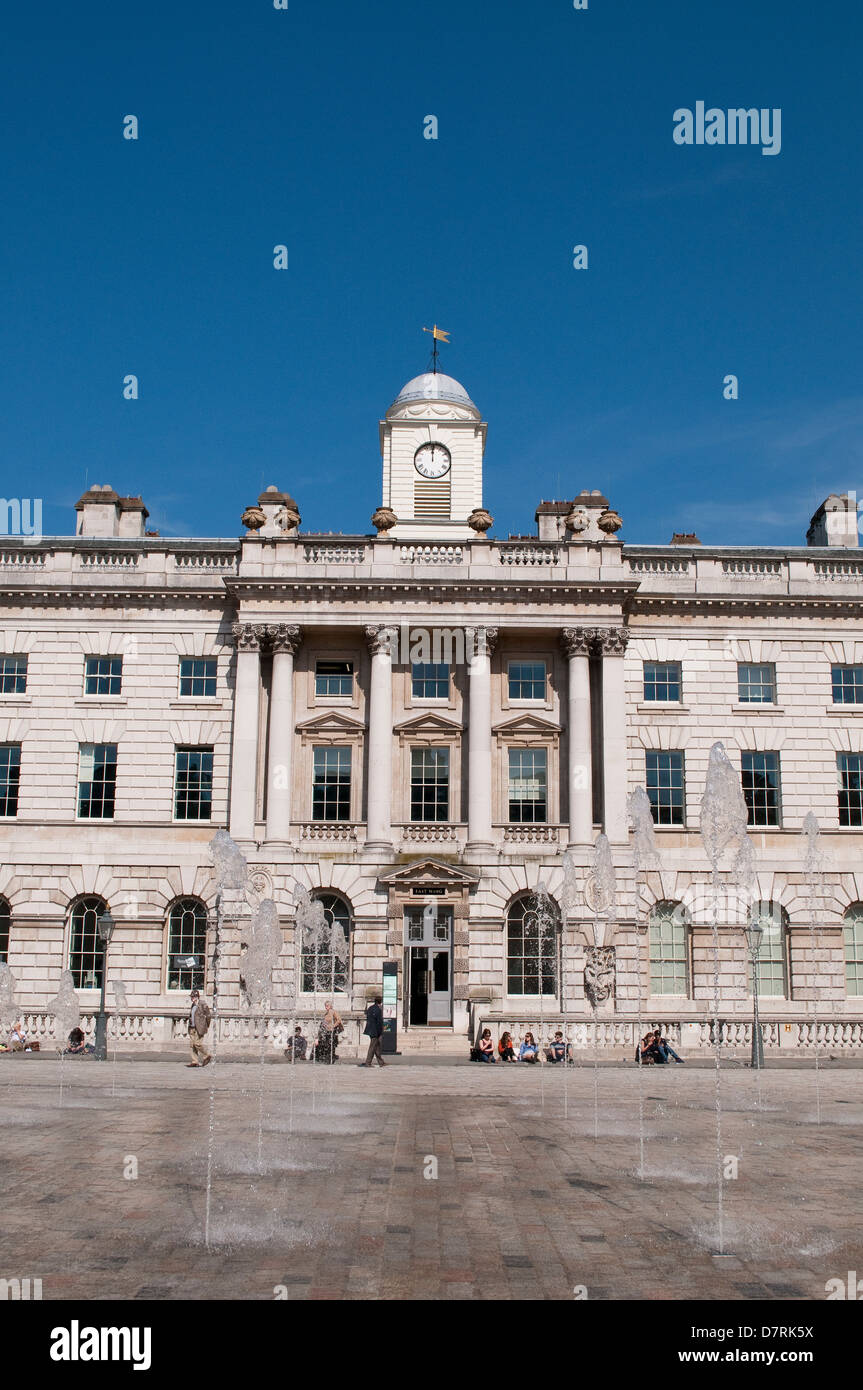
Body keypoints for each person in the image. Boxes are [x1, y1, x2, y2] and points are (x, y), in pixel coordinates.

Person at [186, 988, 212, 1067]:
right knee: (192, 1044)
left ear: (197, 997)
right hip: (192, 1027)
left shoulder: (202, 1004)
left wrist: (206, 1025)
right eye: (191, 997)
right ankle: (195, 1061)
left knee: (197, 1043)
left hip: (199, 1027)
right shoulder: (193, 1005)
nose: (191, 998)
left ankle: (207, 1055)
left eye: (193, 997)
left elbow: (208, 1015)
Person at [314, 999, 343, 1064]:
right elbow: (324, 1022)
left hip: (332, 1031)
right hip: (327, 1031)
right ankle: (328, 1058)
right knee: (327, 1044)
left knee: (331, 1045)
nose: (326, 1007)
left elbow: (339, 1020)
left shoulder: (333, 1012)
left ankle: (331, 1059)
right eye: (325, 1005)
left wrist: (333, 1026)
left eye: (327, 1006)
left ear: (330, 1006)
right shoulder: (326, 1013)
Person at [362, 995, 386, 1068]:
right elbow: (379, 1022)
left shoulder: (370, 1008)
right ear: (380, 1002)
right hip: (375, 1031)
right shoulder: (378, 1009)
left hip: (370, 1029)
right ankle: (368, 1062)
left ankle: (381, 1062)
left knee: (376, 1046)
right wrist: (380, 1032)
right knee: (373, 1047)